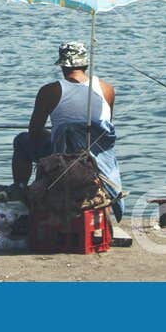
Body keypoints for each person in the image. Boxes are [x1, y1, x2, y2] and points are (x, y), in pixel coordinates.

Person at [11, 41, 122, 214]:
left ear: (62, 65)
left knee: (21, 140)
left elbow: (34, 133)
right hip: (99, 160)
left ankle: (19, 191)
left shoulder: (49, 91)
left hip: (63, 157)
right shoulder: (107, 89)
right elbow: (103, 128)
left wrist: (52, 132)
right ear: (85, 64)